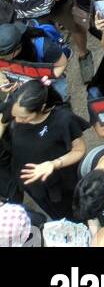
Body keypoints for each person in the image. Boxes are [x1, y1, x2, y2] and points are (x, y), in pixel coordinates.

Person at [0, 80, 86, 220]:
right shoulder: (16, 107)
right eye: (15, 116)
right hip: (32, 182)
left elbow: (79, 149)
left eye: (23, 117)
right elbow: (3, 119)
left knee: (73, 212)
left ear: (42, 107)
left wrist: (53, 164)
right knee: (55, 214)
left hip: (59, 182)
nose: (17, 120)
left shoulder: (63, 119)